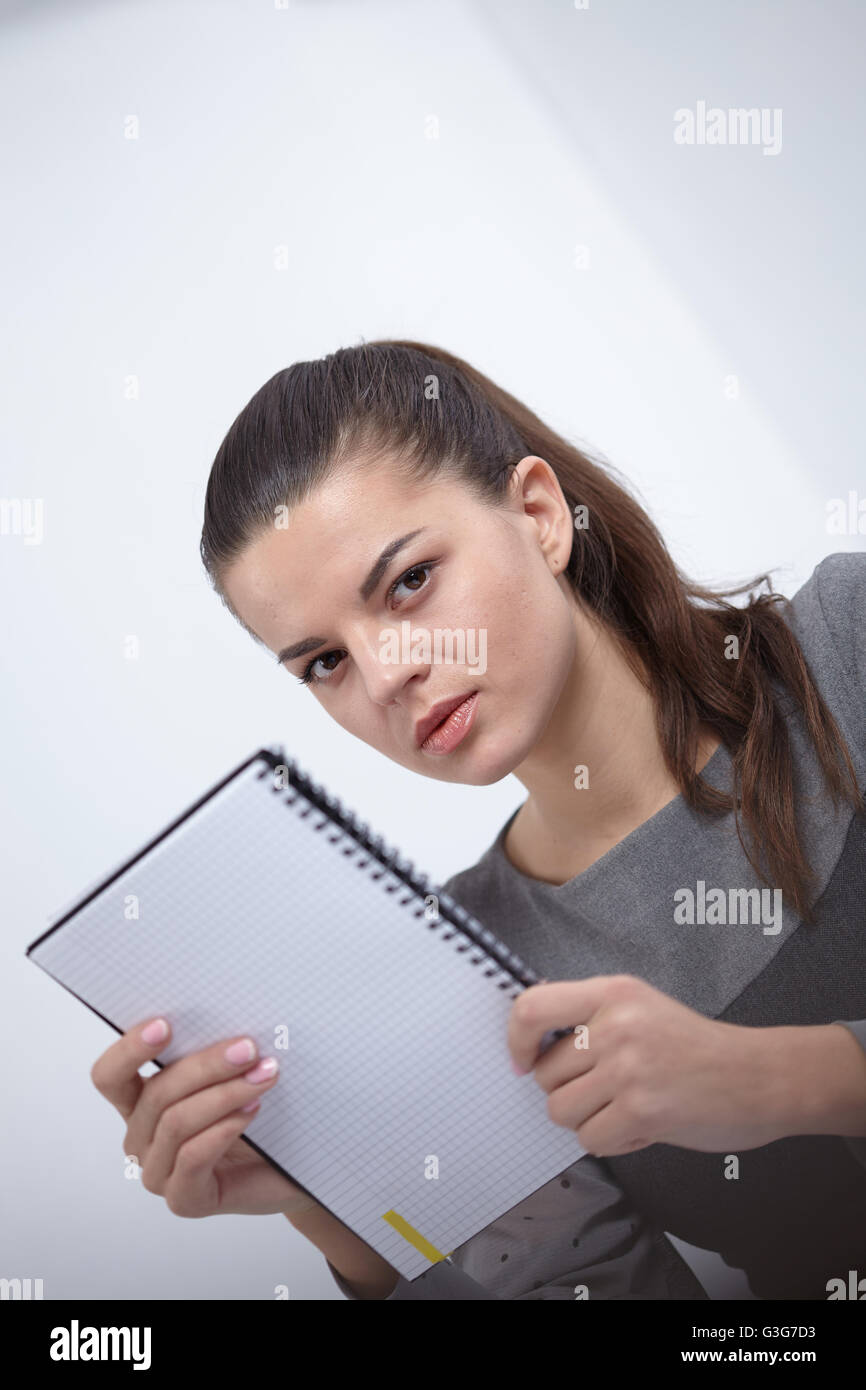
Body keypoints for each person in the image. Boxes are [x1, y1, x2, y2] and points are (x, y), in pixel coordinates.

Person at [90, 340, 866, 1300]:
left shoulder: (848, 647)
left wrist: (783, 1080)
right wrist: (338, 1213)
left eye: (408, 582)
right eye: (324, 662)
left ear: (540, 517)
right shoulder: (468, 969)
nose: (384, 677)